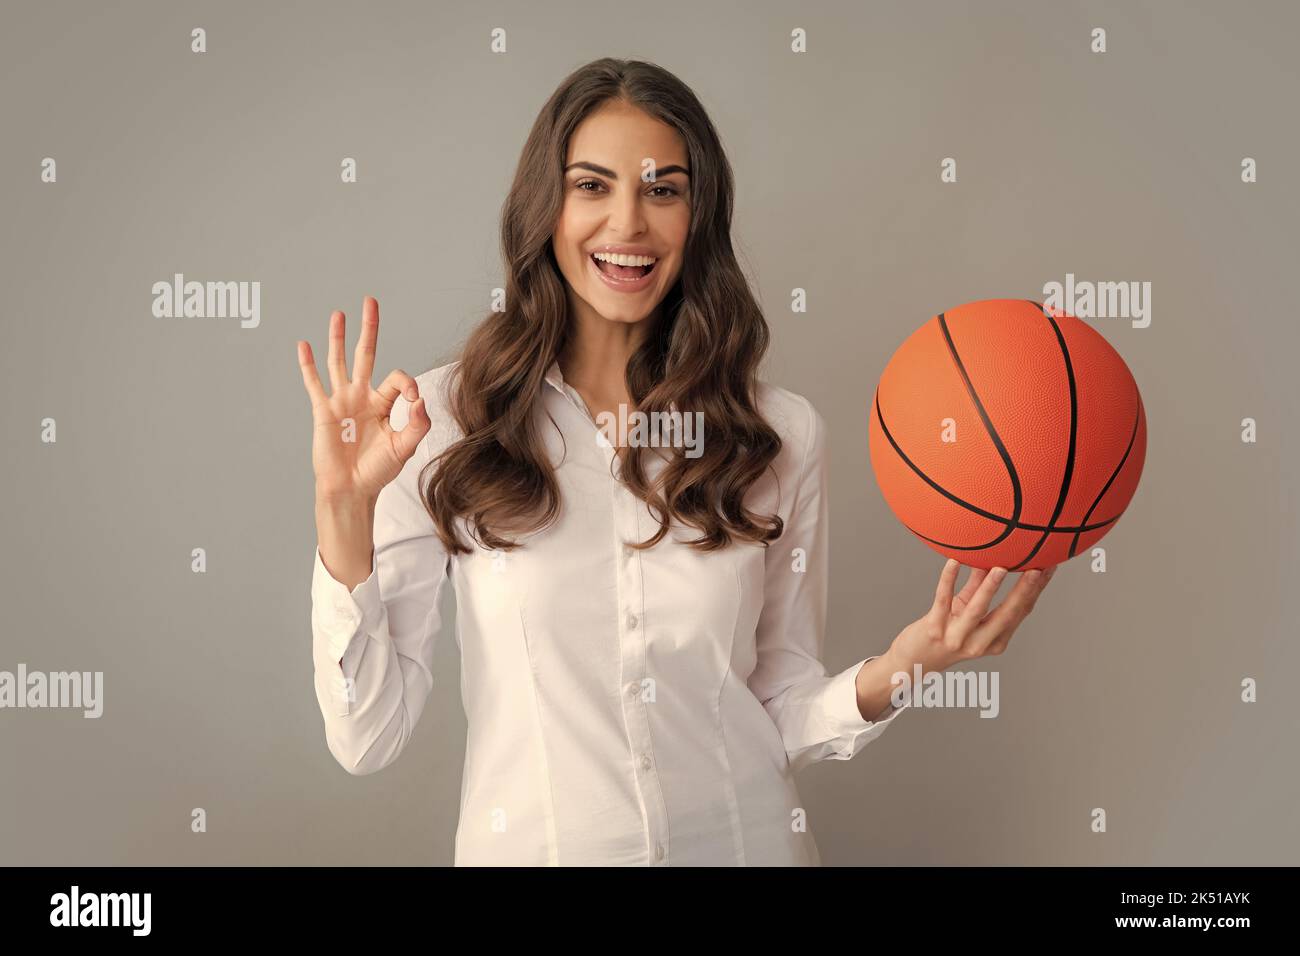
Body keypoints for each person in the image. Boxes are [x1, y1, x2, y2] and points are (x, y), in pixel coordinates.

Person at [295, 57, 1055, 866]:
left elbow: (776, 707)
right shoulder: (440, 425)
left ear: (700, 213)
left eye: (663, 190)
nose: (628, 223)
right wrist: (344, 508)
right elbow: (367, 735)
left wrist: (904, 666)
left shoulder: (778, 434)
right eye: (592, 186)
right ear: (544, 209)